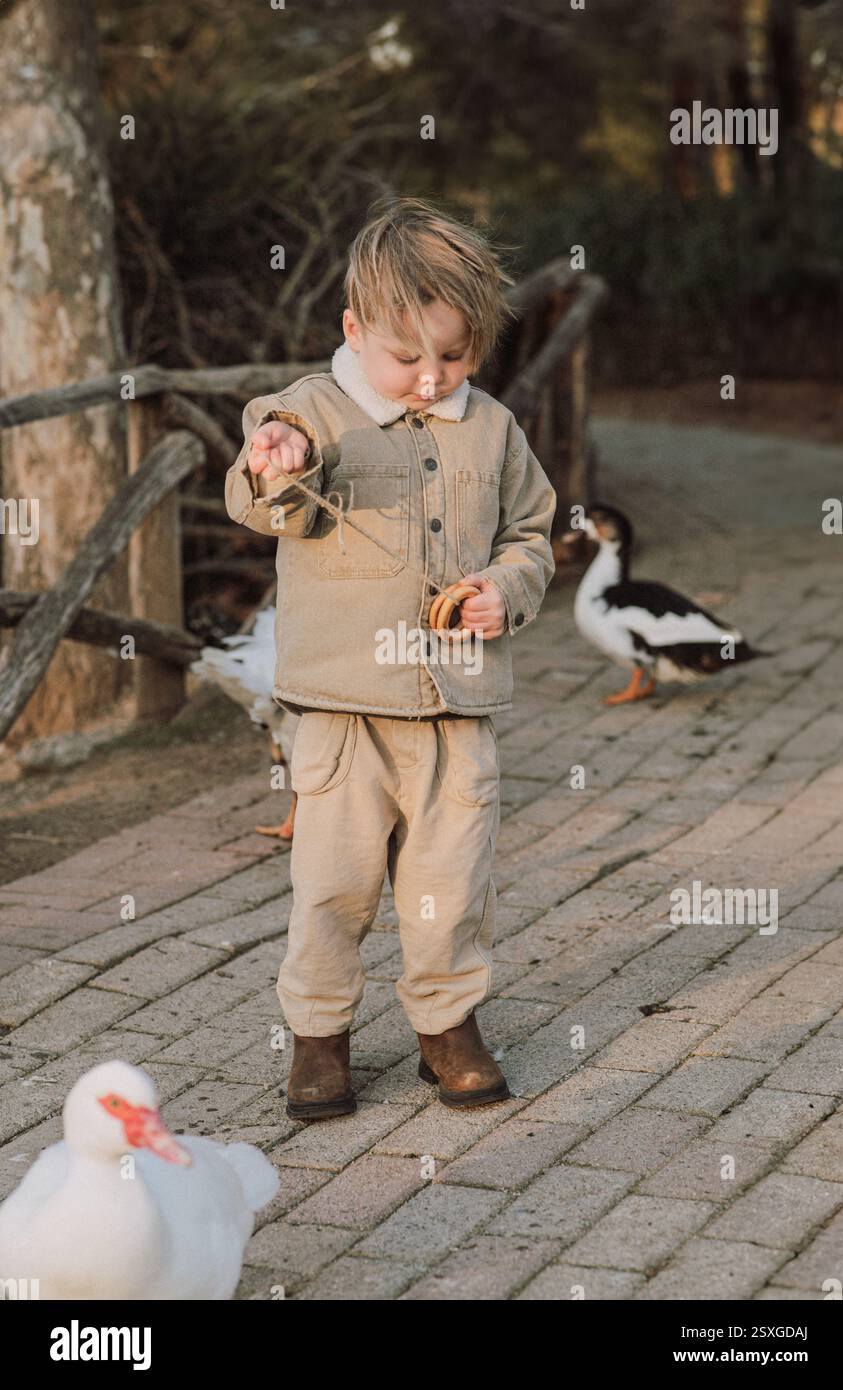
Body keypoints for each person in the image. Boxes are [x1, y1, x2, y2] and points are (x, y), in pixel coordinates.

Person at [225, 196, 556, 1121]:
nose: (430, 378)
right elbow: (260, 495)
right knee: (334, 887)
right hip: (342, 708)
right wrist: (274, 459)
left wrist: (508, 587)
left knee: (452, 884)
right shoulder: (307, 413)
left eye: (454, 357)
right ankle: (319, 1039)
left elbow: (533, 531)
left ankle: (446, 1025)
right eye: (407, 357)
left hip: (456, 711)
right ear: (353, 330)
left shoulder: (491, 427)